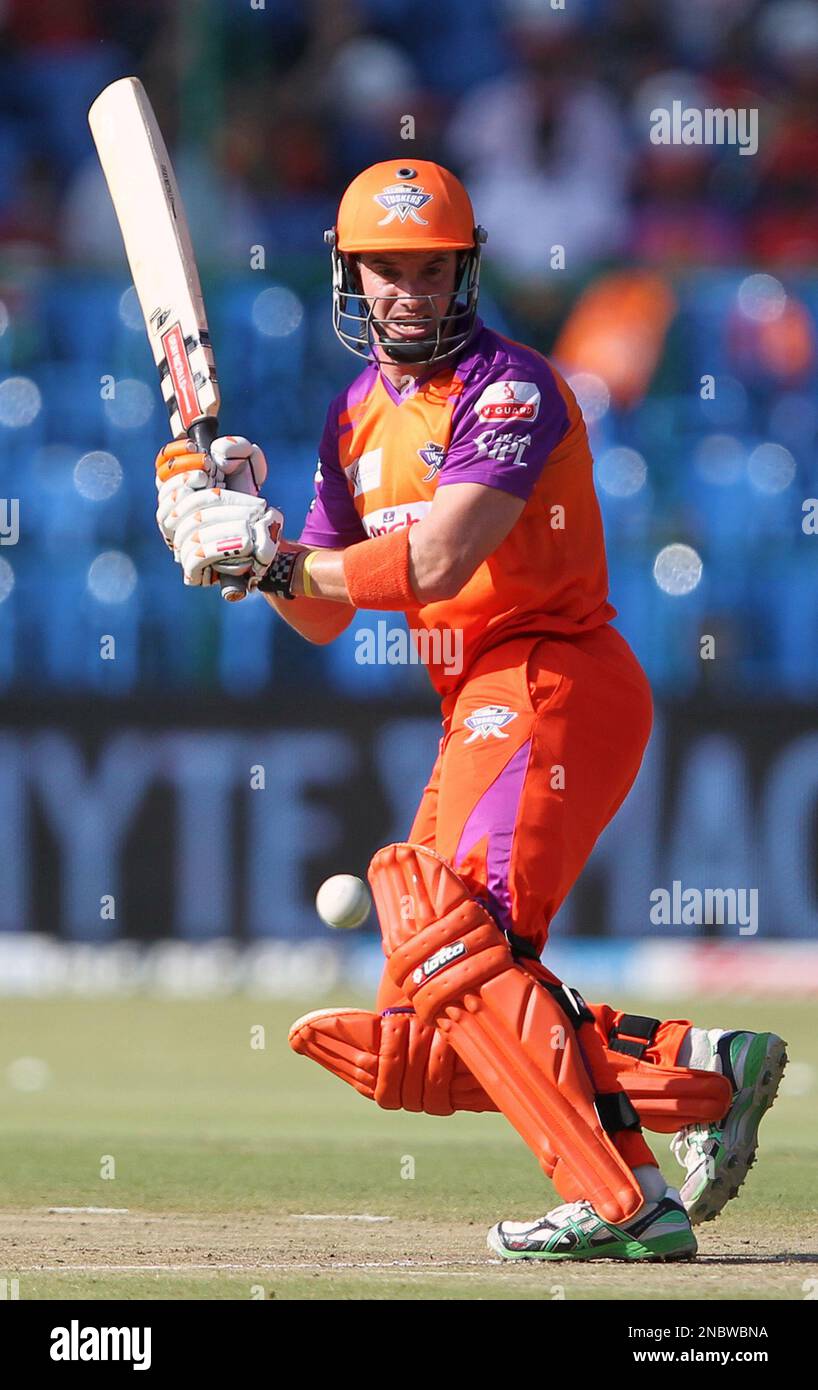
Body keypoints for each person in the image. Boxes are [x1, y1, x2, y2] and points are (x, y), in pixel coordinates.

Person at [154, 160, 786, 1262]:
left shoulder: (510, 390)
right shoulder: (351, 416)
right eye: (384, 269)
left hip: (550, 682)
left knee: (455, 953)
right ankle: (690, 1084)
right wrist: (243, 540)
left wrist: (277, 564)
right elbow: (318, 615)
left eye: (429, 268)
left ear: (464, 271)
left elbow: (439, 558)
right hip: (474, 707)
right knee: (423, 1031)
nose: (406, 291)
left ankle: (619, 1203)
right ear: (349, 276)